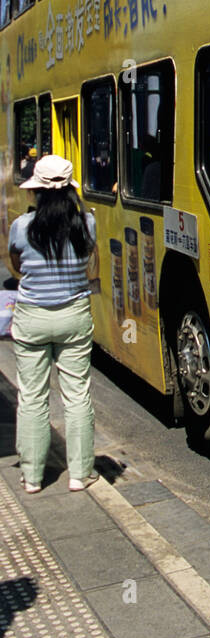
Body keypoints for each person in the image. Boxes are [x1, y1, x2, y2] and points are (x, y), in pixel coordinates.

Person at [8, 155, 98, 493]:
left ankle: (32, 477)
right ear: (70, 191)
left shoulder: (21, 227)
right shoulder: (86, 224)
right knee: (76, 395)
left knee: (32, 397)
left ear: (38, 193)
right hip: (73, 315)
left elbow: (17, 266)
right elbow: (88, 260)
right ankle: (80, 473)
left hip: (32, 316)